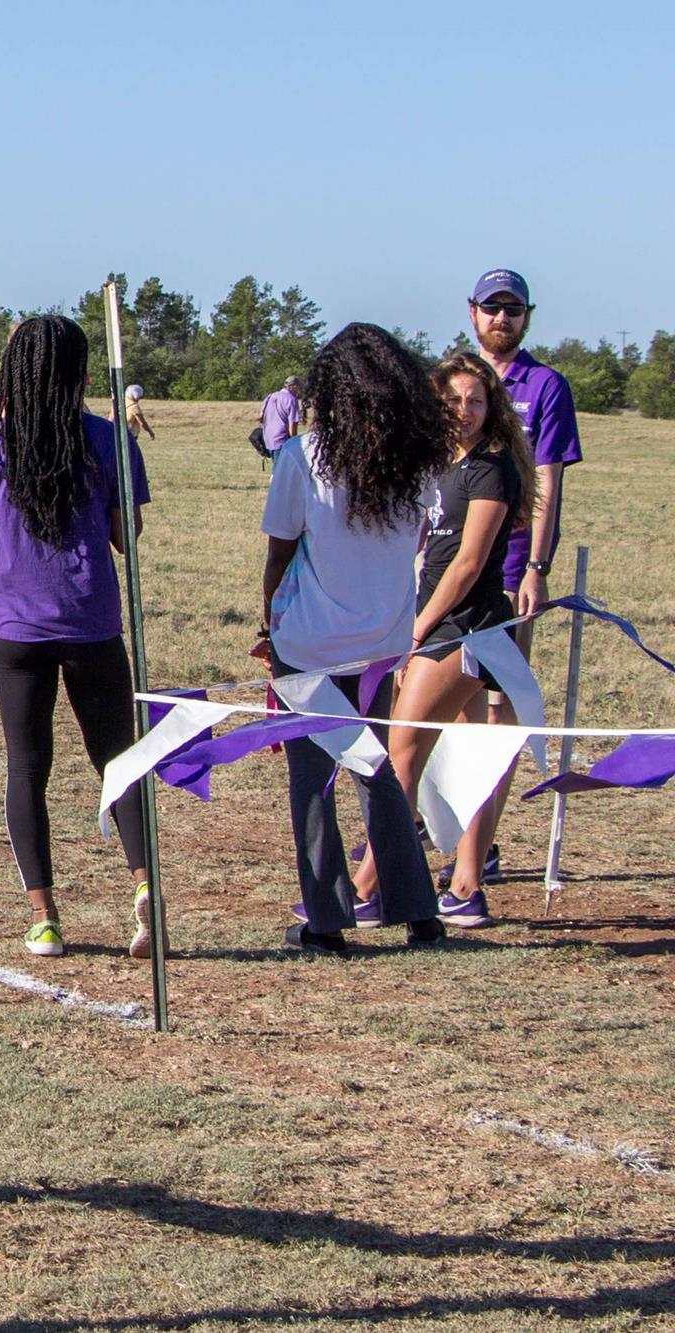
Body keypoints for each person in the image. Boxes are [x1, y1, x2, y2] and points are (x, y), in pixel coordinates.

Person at [0, 314, 155, 960]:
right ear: (81, 375)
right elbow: (125, 539)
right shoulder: (108, 439)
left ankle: (43, 917)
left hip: (18, 629)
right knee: (118, 760)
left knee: (27, 767)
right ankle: (144, 886)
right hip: (91, 622)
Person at [258, 323, 448, 955]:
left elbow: (280, 553)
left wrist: (270, 623)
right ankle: (419, 912)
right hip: (382, 643)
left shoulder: (302, 457)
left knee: (313, 781)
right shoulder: (416, 463)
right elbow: (414, 544)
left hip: (310, 646)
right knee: (376, 770)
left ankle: (327, 921)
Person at [344, 352, 531, 930]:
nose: (464, 410)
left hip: (465, 625)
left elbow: (469, 563)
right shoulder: (440, 465)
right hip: (442, 621)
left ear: (492, 408)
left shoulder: (490, 469)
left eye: (476, 400)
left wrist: (418, 628)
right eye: (453, 400)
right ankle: (467, 887)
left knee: (400, 753)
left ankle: (367, 889)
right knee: (472, 756)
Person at [461, 268, 582, 890]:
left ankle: (480, 846)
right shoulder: (455, 382)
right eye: (492, 307)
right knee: (442, 709)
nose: (501, 319)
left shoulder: (546, 386)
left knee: (497, 708)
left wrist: (536, 567)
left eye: (513, 309)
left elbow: (547, 484)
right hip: (445, 569)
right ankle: (445, 825)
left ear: (527, 317)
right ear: (473, 312)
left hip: (508, 573)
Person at [259, 375, 302, 453]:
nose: (298, 390)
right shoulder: (291, 399)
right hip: (282, 441)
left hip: (268, 440)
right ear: (293, 386)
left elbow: (261, 416)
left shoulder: (270, 396)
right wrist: (295, 444)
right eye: (298, 387)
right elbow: (292, 426)